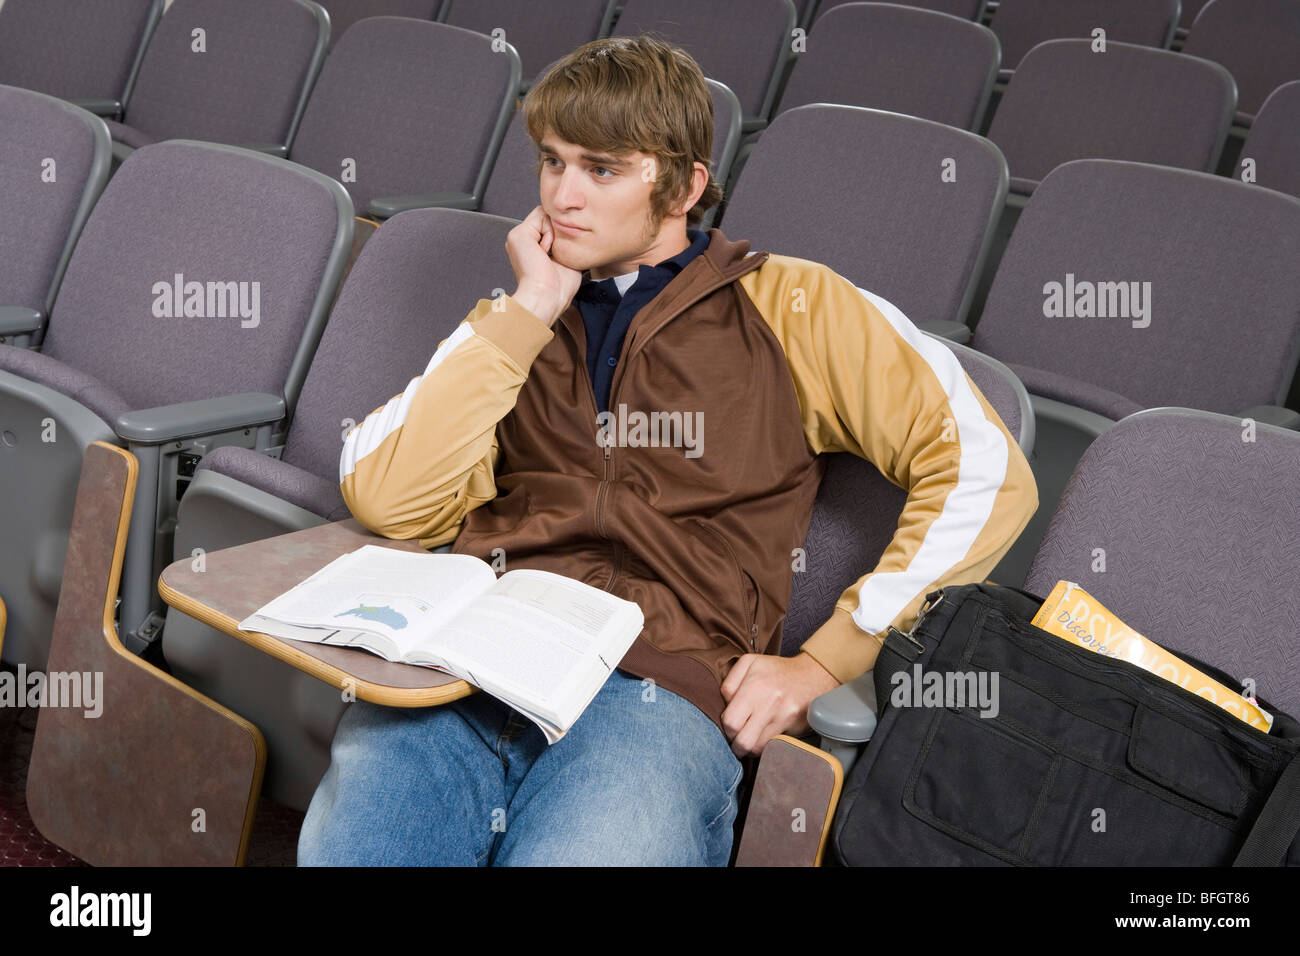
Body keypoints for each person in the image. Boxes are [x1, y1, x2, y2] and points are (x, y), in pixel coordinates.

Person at [298, 35, 1037, 866]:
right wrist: (525, 313)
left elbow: (986, 468)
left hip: (658, 691)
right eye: (552, 162)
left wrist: (831, 659)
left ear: (684, 186)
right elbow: (387, 496)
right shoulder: (515, 318)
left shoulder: (795, 306)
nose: (562, 196)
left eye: (602, 170)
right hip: (473, 658)